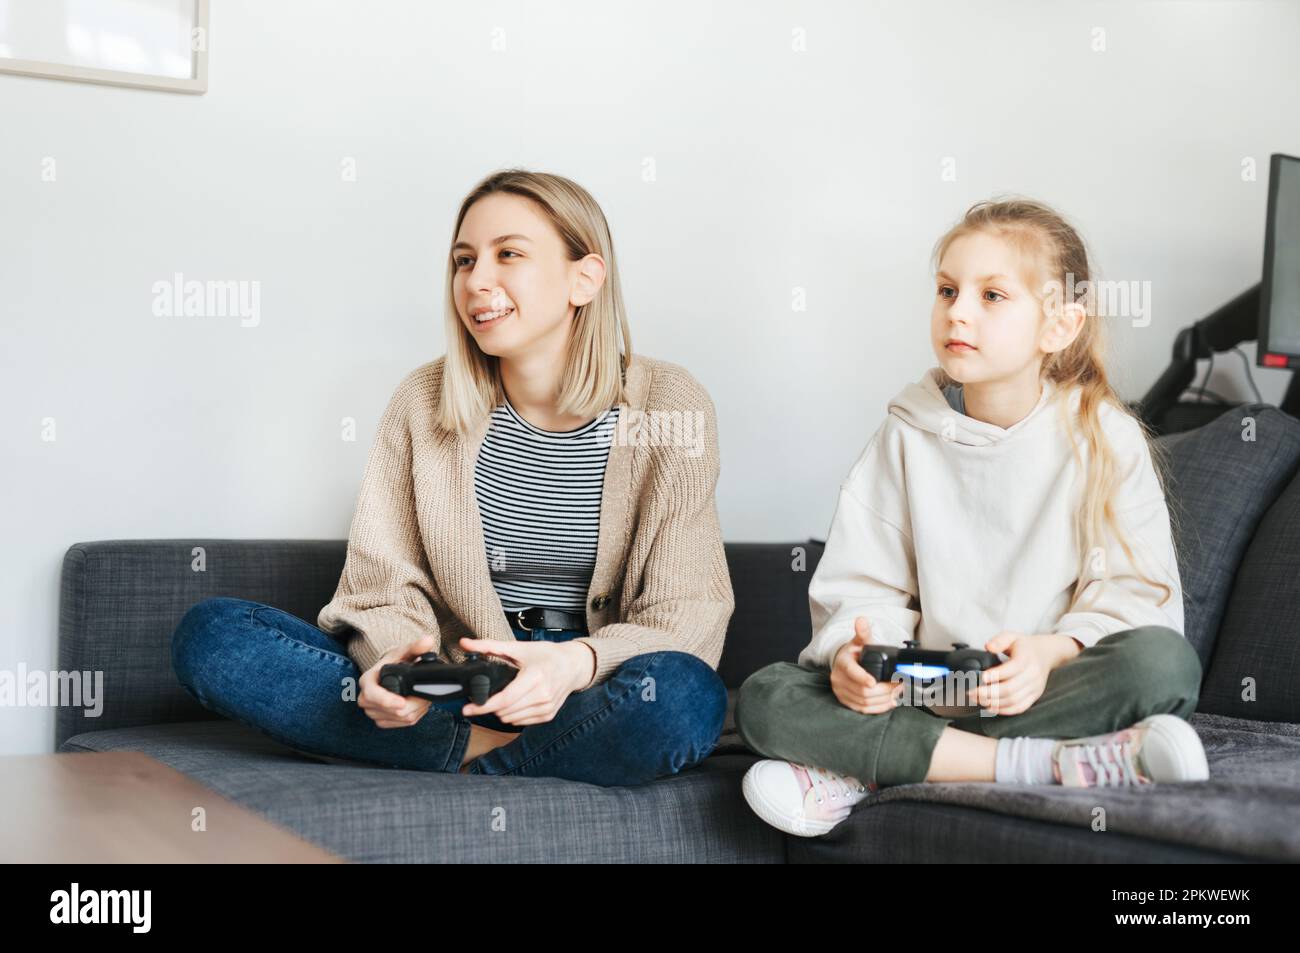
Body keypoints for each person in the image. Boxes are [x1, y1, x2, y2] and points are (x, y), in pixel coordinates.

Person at [171, 169, 733, 786]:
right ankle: (495, 751)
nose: (477, 282)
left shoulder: (669, 405)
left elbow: (689, 614)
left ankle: (448, 755)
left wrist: (573, 664)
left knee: (686, 698)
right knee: (214, 635)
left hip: (586, 685)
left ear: (586, 276)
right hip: (452, 684)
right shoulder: (422, 401)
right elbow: (381, 583)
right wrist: (392, 664)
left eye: (508, 254)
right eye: (464, 260)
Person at [734, 197, 1207, 837]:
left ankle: (871, 766)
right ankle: (1044, 764)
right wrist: (856, 657)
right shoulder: (906, 433)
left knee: (1163, 664)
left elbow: (1137, 596)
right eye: (948, 290)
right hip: (926, 687)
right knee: (767, 697)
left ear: (1059, 327)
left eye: (992, 296)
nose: (957, 311)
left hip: (1037, 689)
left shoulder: (1104, 440)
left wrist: (1048, 652)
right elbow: (861, 586)